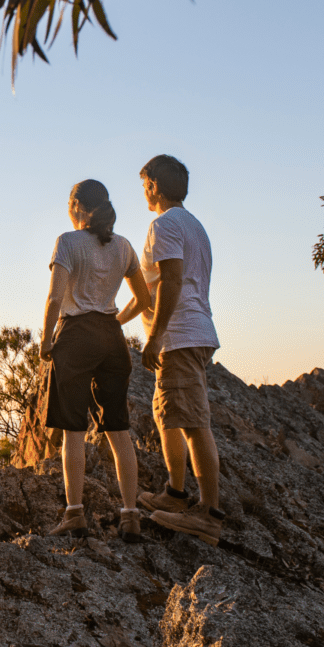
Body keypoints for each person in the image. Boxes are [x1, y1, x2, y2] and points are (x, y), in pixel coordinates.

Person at [39, 180, 152, 542]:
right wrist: (114, 322)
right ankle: (131, 516)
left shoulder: (68, 242)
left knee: (73, 429)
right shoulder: (124, 247)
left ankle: (74, 515)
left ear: (75, 206)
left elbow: (55, 299)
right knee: (118, 429)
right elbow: (144, 299)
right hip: (111, 338)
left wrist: (44, 340)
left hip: (75, 337)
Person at [134, 155, 225, 545]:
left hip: (180, 335)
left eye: (144, 185)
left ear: (153, 185)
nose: (143, 192)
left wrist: (154, 336)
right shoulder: (194, 226)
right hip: (192, 331)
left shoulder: (164, 224)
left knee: (193, 422)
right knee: (168, 413)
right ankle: (175, 493)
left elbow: (170, 282)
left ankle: (209, 513)